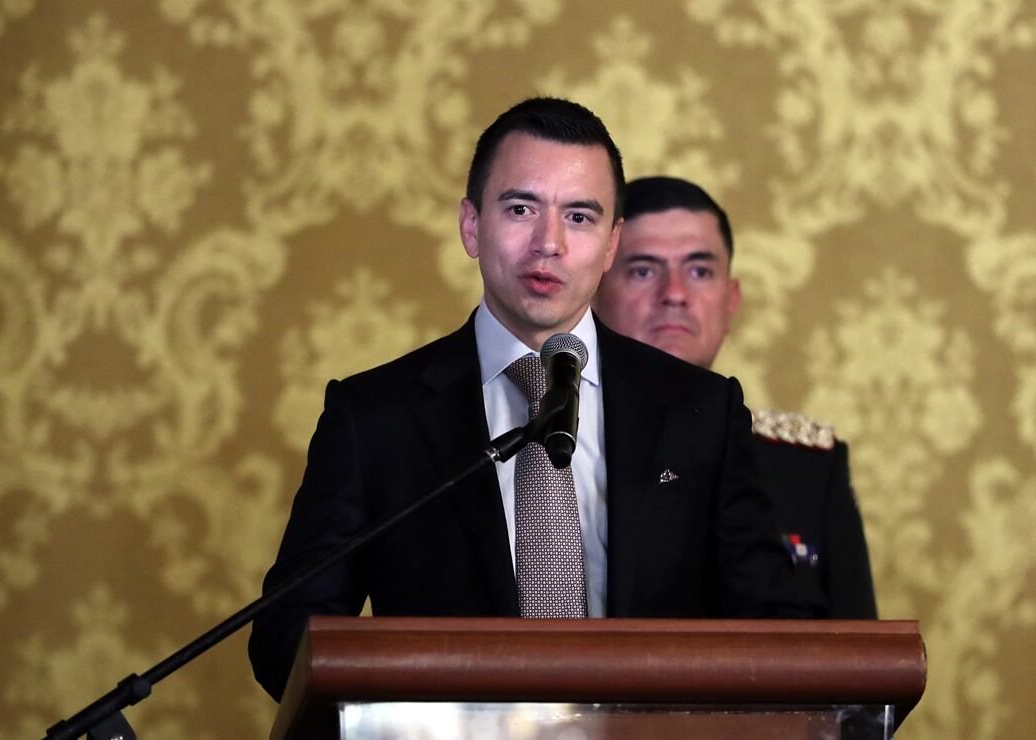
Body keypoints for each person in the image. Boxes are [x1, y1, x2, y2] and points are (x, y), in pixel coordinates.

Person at [249, 99, 807, 701]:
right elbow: (287, 639)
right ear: (472, 226)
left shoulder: (701, 411)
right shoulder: (375, 417)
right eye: (521, 209)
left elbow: (774, 627)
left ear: (612, 244)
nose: (549, 244)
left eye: (580, 217)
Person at [593, 176, 877, 620]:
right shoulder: (559, 447)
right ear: (593, 296)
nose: (674, 294)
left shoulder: (807, 466)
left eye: (699, 272)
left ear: (731, 302)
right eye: (643, 270)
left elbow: (854, 652)